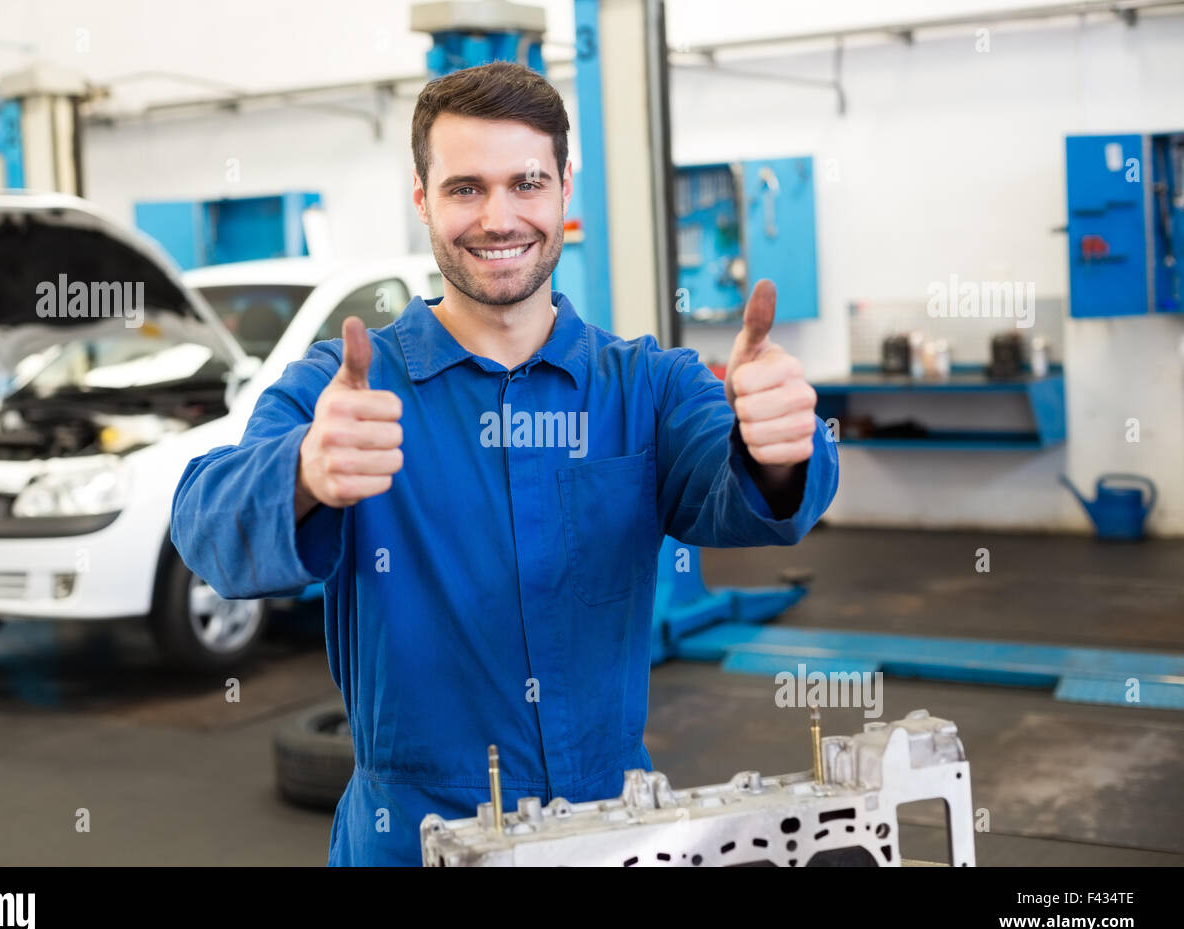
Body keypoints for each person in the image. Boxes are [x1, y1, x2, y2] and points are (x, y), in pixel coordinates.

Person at [171, 60, 839, 866]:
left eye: (526, 183)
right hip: (410, 840)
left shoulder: (648, 388)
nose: (498, 217)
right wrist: (306, 474)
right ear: (422, 199)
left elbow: (744, 492)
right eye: (464, 189)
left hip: (613, 834)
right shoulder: (346, 390)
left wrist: (776, 449)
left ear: (565, 189)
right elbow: (207, 527)